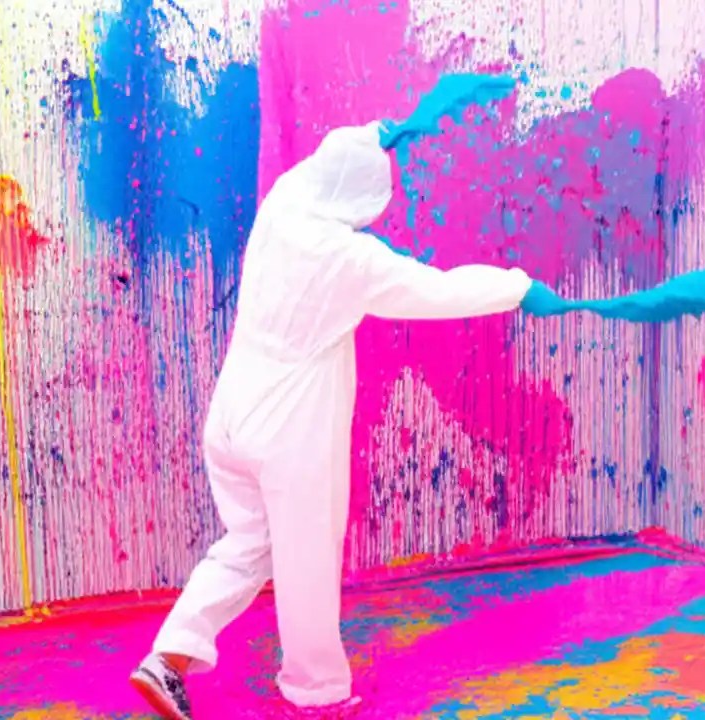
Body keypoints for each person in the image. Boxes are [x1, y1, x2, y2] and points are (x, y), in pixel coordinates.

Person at [129, 121, 540, 719]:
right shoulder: (350, 259)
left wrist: (379, 131)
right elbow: (441, 290)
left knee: (246, 544)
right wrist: (520, 288)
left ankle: (167, 659)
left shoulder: (284, 203)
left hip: (232, 413)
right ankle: (314, 687)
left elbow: (336, 159)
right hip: (288, 433)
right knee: (307, 562)